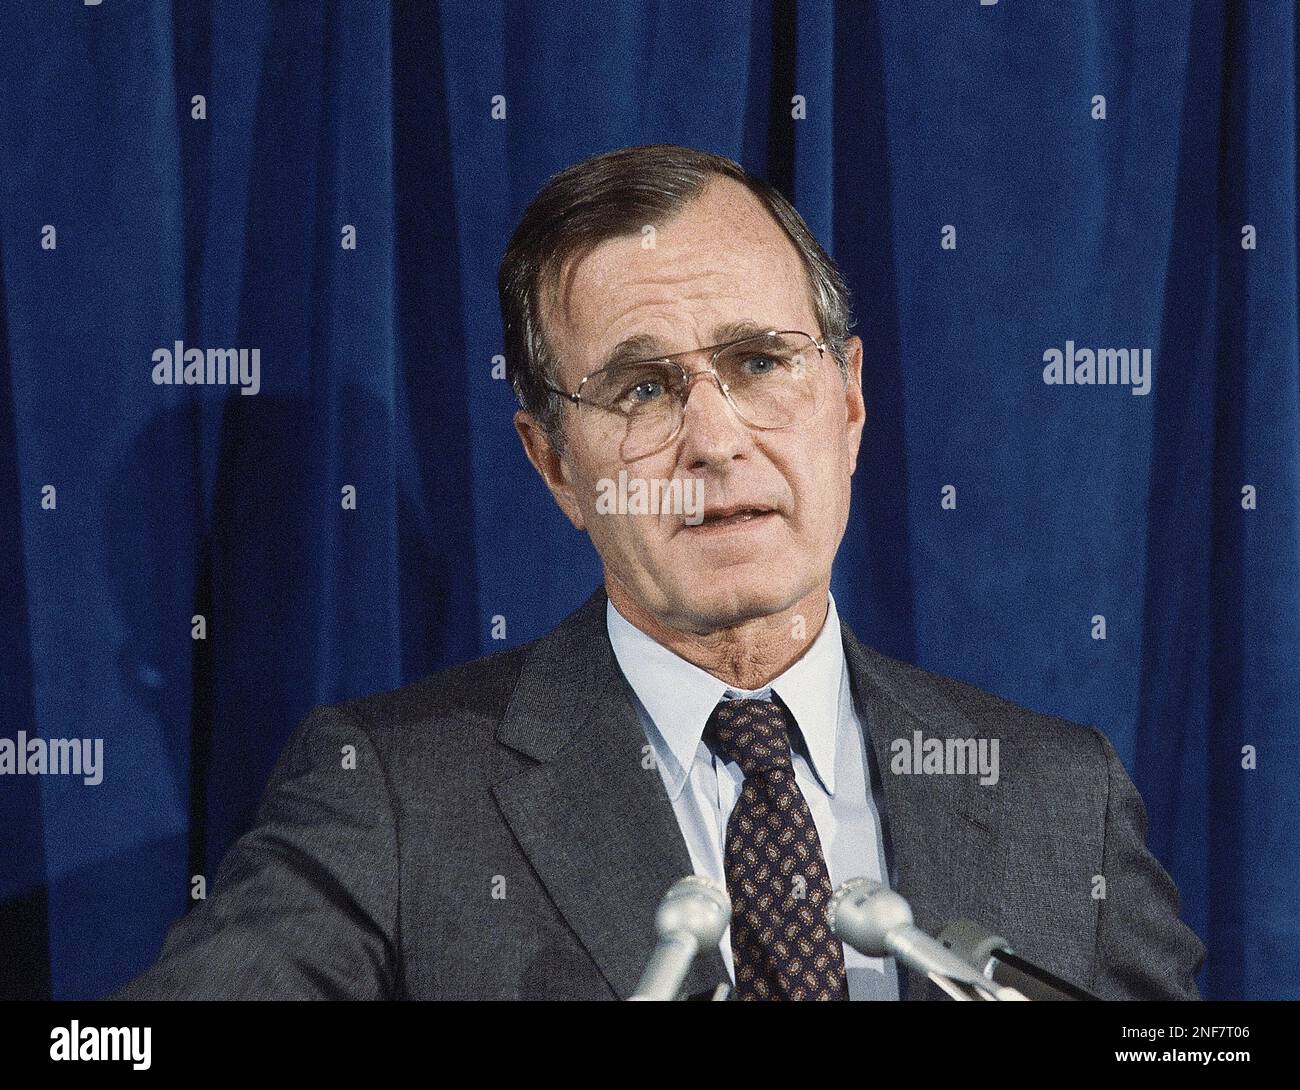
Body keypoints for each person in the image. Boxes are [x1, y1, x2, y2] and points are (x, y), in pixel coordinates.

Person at [114, 144, 1205, 1000]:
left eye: (760, 362)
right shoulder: (390, 798)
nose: (715, 440)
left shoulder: (1060, 797)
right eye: (641, 388)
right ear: (553, 465)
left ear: (850, 402)